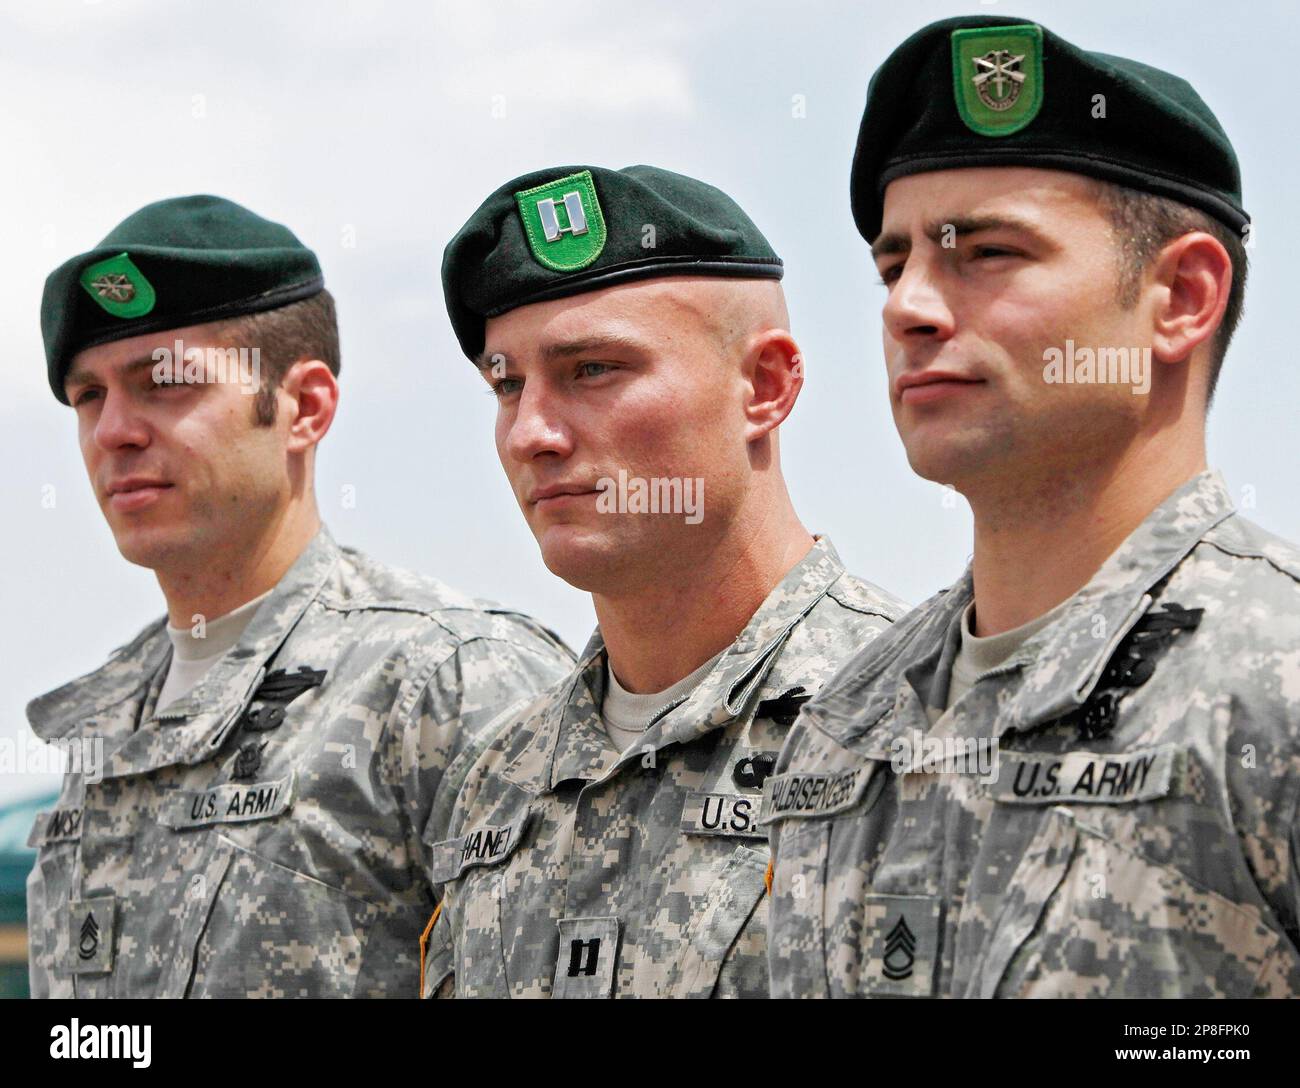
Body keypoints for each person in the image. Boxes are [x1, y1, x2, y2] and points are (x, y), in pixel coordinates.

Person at [764, 14, 1300, 997]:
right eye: (894, 264)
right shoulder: (843, 720)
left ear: (1180, 294)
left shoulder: (1274, 678)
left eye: (986, 253)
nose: (906, 306)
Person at [26, 194, 573, 997]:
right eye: (89, 396)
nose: (114, 431)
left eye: (162, 384)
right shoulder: (107, 723)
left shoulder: (448, 681)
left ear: (304, 408)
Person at [424, 164, 906, 997]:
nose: (530, 432)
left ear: (764, 386)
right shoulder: (497, 782)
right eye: (508, 384)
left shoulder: (912, 722)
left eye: (593, 370)